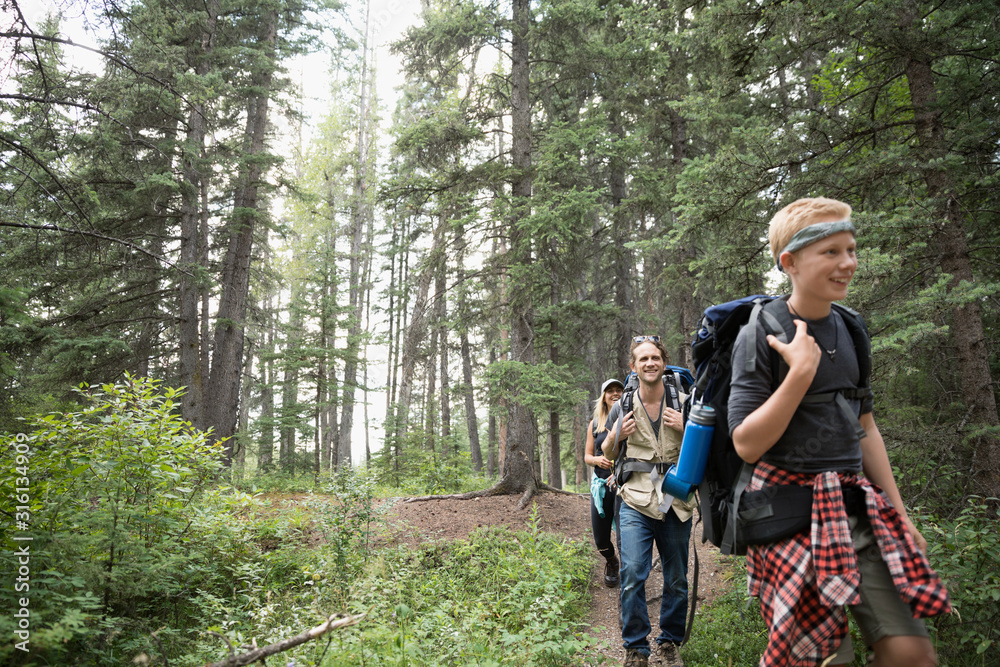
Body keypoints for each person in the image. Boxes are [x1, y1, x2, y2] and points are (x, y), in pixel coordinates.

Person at [728, 197, 951, 666]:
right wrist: (798, 377)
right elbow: (746, 442)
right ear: (789, 262)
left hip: (857, 507)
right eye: (830, 252)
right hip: (788, 517)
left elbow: (864, 425)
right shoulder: (762, 330)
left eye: (850, 249)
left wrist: (901, 515)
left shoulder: (851, 328)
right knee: (825, 659)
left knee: (912, 651)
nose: (847, 262)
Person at [605, 337, 694, 667]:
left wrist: (686, 427)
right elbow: (607, 453)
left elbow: (706, 448)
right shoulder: (622, 405)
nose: (650, 363)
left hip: (675, 499)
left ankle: (669, 643)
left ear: (664, 363)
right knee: (632, 572)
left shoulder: (684, 402)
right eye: (643, 359)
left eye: (655, 357)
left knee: (676, 578)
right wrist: (618, 436)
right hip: (635, 500)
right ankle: (635, 648)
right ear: (633, 366)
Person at [585, 378, 624, 587]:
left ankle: (630, 578)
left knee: (624, 537)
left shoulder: (629, 419)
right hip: (600, 485)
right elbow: (587, 456)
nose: (615, 394)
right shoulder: (595, 424)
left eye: (619, 390)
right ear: (604, 396)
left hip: (624, 485)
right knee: (601, 539)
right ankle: (611, 561)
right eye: (610, 391)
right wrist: (597, 459)